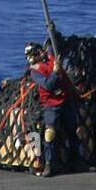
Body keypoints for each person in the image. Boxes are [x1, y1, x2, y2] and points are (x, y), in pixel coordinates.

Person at [26, 41, 80, 177]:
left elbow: (53, 44)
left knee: (74, 130)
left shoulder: (52, 58)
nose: (30, 59)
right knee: (50, 134)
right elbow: (48, 85)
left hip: (65, 100)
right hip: (51, 104)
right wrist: (55, 72)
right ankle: (49, 164)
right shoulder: (35, 70)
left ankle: (77, 160)